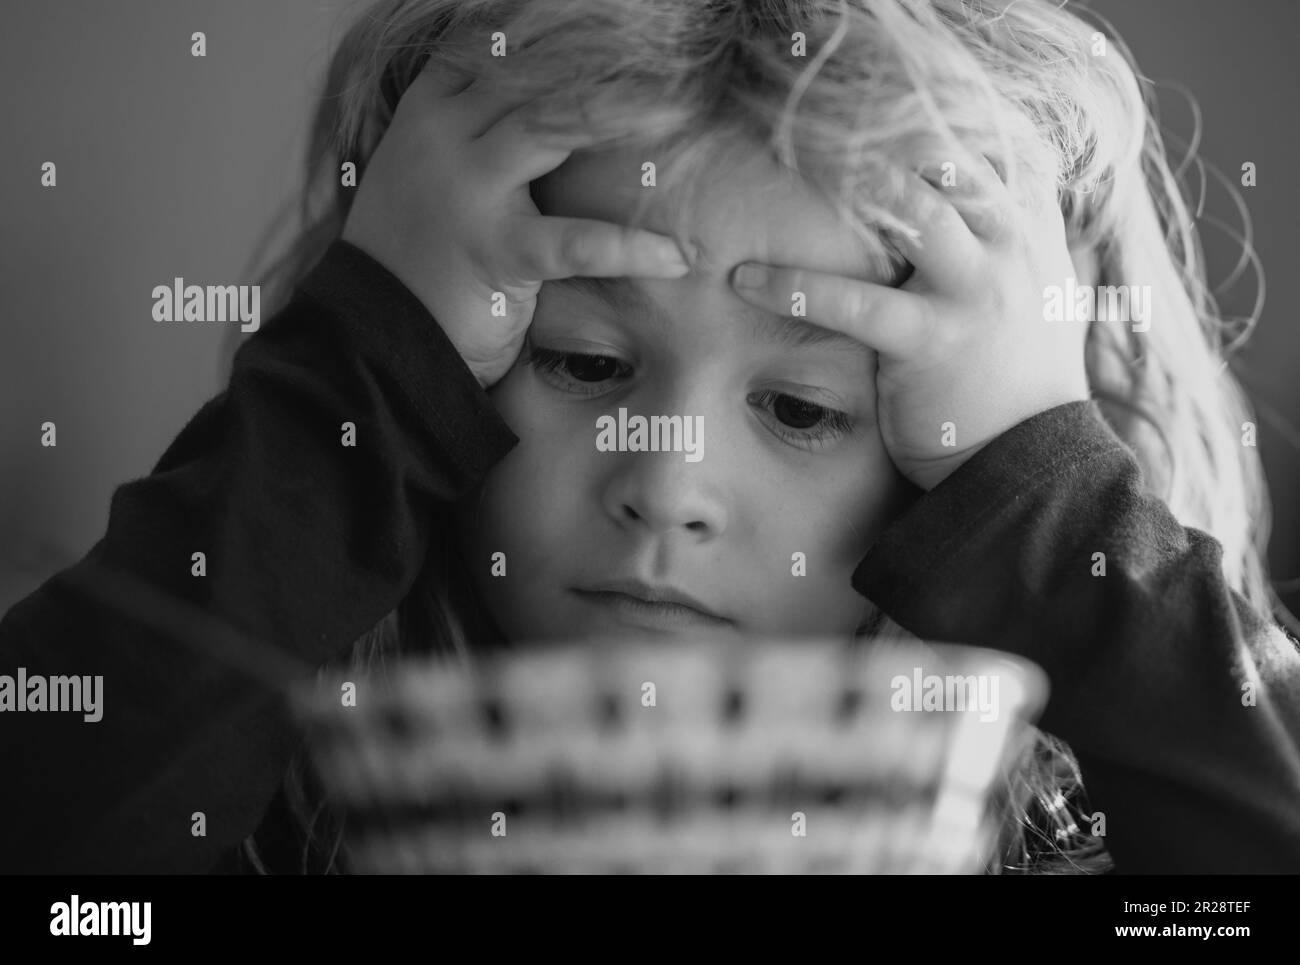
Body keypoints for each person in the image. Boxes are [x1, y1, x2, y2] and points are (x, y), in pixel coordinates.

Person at [2, 0, 1298, 875]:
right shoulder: (265, 807)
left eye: (799, 407)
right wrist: (356, 383)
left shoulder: (1095, 842)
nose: (667, 482)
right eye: (584, 361)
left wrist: (1051, 506)